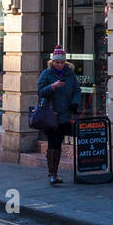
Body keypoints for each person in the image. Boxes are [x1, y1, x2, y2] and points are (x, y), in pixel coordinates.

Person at [36, 46, 82, 185]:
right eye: (57, 62)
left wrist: (74, 103)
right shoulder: (46, 74)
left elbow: (77, 91)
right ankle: (52, 174)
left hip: (65, 115)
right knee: (53, 143)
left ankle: (53, 174)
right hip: (51, 115)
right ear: (52, 62)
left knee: (58, 143)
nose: (59, 65)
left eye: (62, 62)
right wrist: (53, 87)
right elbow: (40, 91)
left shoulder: (70, 74)